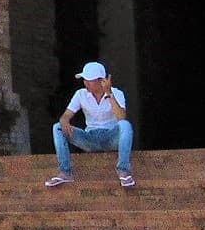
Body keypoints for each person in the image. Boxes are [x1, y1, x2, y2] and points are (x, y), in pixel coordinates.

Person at [45, 60, 136, 188]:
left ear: (101, 81)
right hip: (89, 138)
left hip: (111, 137)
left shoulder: (116, 93)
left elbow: (121, 117)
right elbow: (66, 115)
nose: (85, 83)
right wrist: (65, 121)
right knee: (57, 127)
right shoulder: (81, 94)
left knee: (126, 125)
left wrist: (109, 93)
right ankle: (65, 172)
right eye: (84, 79)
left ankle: (123, 171)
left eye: (89, 80)